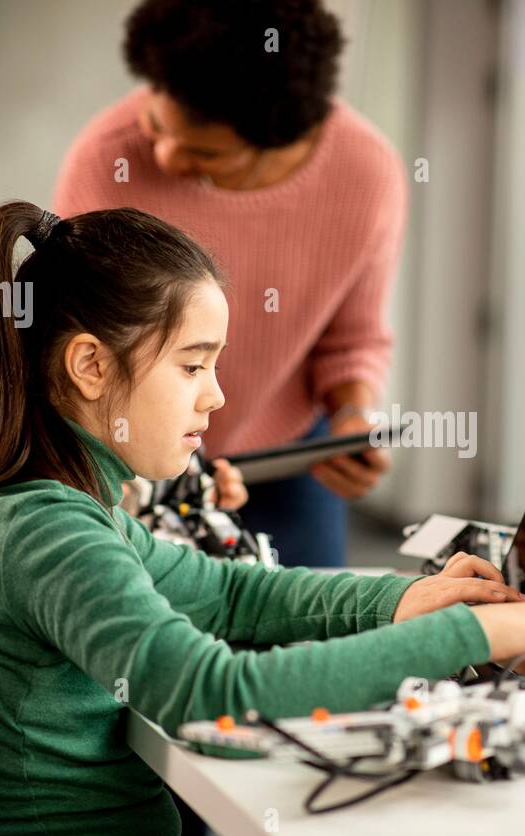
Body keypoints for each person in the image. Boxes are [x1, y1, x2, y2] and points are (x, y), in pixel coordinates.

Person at [0, 201, 525, 836]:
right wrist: (488, 635)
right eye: (193, 365)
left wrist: (402, 603)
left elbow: (226, 592)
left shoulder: (60, 506)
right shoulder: (44, 531)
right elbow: (211, 692)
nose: (216, 396)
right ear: (90, 365)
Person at [54, 0, 401, 566]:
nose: (163, 155)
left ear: (275, 141)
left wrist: (352, 420)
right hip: (135, 454)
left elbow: (351, 340)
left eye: (203, 153)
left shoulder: (366, 173)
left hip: (287, 459)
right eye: (156, 124)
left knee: (314, 632)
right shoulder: (106, 156)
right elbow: (69, 334)